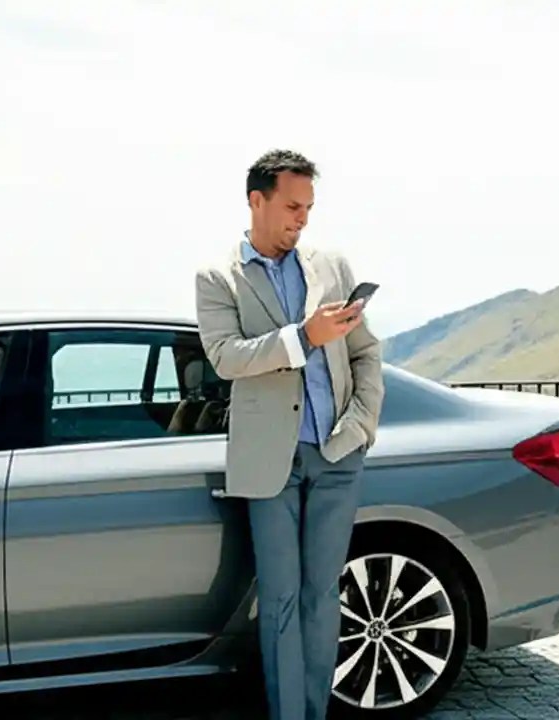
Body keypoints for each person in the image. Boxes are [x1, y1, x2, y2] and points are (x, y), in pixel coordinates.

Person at [194, 148, 384, 720]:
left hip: (336, 452)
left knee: (323, 597)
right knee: (278, 600)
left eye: (309, 208)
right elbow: (226, 358)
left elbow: (366, 352)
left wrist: (360, 425)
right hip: (269, 460)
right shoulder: (217, 278)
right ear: (257, 200)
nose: (302, 219)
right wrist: (304, 337)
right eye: (292, 206)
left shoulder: (332, 266)